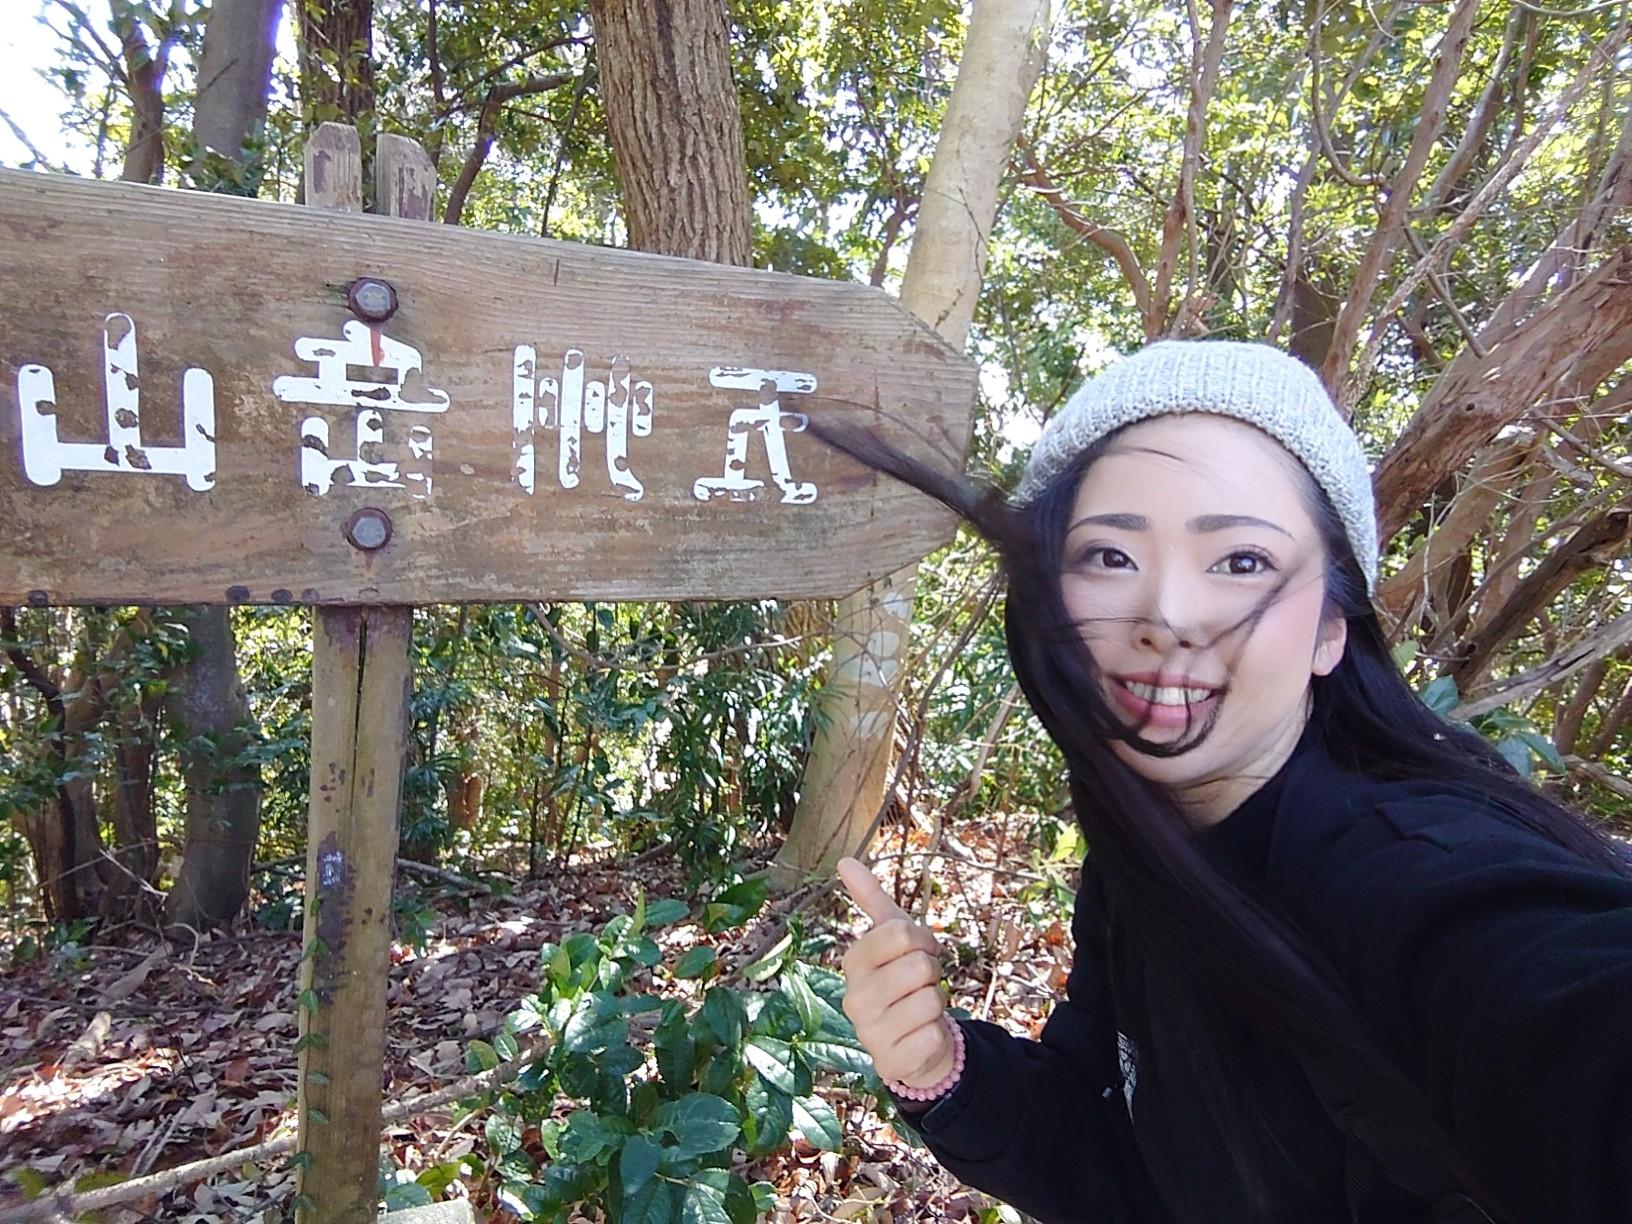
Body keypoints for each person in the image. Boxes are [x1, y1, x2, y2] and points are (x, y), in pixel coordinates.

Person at [828, 339, 1632, 1224]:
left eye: (1242, 561)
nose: (1168, 616)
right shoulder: (1142, 856)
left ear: (1332, 631)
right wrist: (944, 1071)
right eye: (1110, 557)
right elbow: (1117, 1155)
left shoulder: (1421, 881)